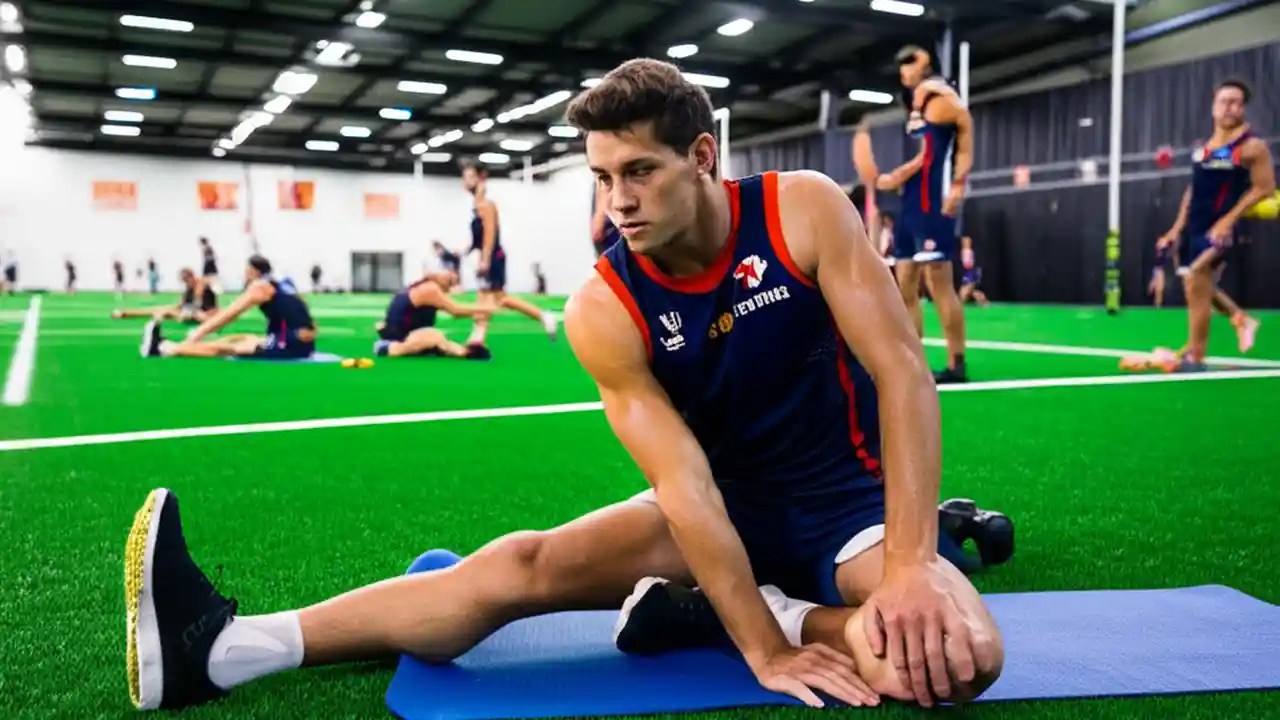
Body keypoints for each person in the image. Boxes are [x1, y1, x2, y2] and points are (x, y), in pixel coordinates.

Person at [121, 58, 1005, 714]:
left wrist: (908, 564)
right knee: (519, 563)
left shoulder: (803, 209)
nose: (618, 200)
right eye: (603, 178)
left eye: (640, 172)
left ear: (702, 156)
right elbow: (686, 488)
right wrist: (766, 649)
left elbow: (903, 371)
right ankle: (232, 646)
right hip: (718, 508)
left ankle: (743, 607)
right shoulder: (604, 306)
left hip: (849, 507)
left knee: (960, 660)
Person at [1156, 78, 1273, 365]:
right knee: (1195, 283)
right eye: (1224, 101)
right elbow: (1193, 191)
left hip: (1223, 227)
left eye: (1236, 102)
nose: (1230, 107)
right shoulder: (1205, 149)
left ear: (1243, 109)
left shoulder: (1252, 146)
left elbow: (1265, 187)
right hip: (1196, 226)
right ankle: (1240, 319)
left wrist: (1228, 220)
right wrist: (1175, 229)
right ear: (1213, 107)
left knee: (1196, 277)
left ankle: (1195, 356)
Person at [875, 45, 972, 384]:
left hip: (935, 200)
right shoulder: (918, 103)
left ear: (926, 63)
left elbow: (965, 124)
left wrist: (959, 183)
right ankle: (912, 364)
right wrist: (898, 176)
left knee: (939, 282)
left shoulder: (942, 97)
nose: (904, 68)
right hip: (912, 201)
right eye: (900, 64)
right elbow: (923, 155)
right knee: (905, 284)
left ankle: (956, 363)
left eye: (910, 62)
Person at [140, 255, 316, 361]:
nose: (245, 274)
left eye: (247, 271)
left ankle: (164, 347)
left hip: (289, 343)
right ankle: (174, 346)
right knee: (237, 338)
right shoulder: (283, 283)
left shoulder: (260, 288)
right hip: (293, 339)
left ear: (254, 272)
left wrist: (198, 333)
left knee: (230, 347)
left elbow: (229, 315)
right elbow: (305, 310)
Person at [460, 162, 559, 339]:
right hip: (487, 256)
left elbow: (490, 233)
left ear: (481, 177)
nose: (465, 182)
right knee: (490, 298)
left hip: (493, 257)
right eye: (464, 177)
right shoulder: (476, 206)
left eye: (469, 177)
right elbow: (479, 237)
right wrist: (466, 250)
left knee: (496, 298)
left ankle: (543, 316)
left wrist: (485, 260)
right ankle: (478, 336)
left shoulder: (486, 204)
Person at [373, 270, 492, 360]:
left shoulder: (418, 286)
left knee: (445, 343)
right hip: (404, 337)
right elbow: (455, 310)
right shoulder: (431, 289)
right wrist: (488, 308)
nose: (451, 286)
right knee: (435, 337)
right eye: (450, 281)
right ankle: (389, 349)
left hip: (404, 333)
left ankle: (473, 347)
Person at [113, 268, 218, 323]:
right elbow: (181, 304)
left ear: (192, 276)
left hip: (205, 313)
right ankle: (126, 313)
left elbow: (200, 300)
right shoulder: (189, 288)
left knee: (196, 315)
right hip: (192, 312)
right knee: (160, 309)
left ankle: (125, 313)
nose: (186, 283)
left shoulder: (201, 284)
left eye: (186, 280)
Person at [958, 237, 989, 307]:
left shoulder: (969, 252)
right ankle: (984, 302)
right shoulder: (966, 251)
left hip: (971, 272)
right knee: (972, 291)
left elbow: (969, 264)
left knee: (967, 289)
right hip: (969, 271)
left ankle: (984, 302)